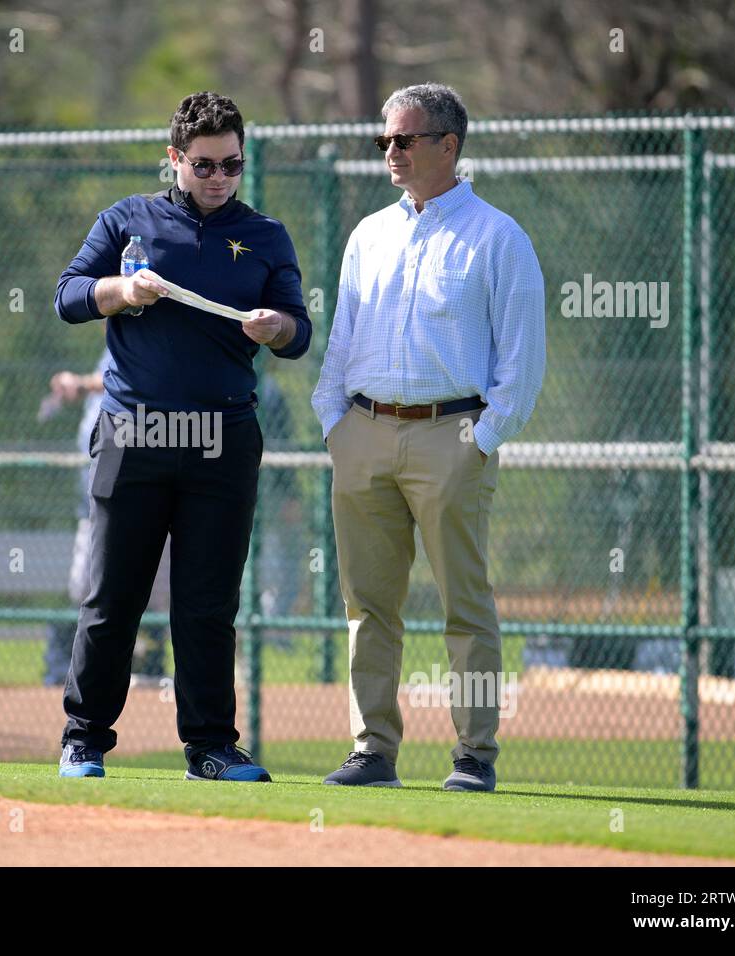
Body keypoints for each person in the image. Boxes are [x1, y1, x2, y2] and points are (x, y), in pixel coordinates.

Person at [53, 91, 312, 781]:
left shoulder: (264, 235)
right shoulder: (126, 219)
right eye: (204, 165)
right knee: (113, 598)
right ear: (175, 159)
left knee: (208, 604)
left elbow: (298, 331)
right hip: (132, 432)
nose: (219, 177)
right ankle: (83, 738)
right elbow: (68, 294)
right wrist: (122, 291)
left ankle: (210, 747)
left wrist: (276, 327)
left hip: (222, 437)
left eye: (232, 164)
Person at [311, 83, 545, 792]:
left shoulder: (498, 237)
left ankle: (474, 755)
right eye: (384, 140)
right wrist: (335, 424)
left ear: (449, 145)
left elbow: (523, 359)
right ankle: (372, 750)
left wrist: (484, 435)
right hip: (364, 434)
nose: (391, 151)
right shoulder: (368, 234)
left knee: (464, 607)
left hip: (454, 435)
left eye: (404, 139)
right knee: (367, 605)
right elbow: (342, 342)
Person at [40, 343, 169, 687]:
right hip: (96, 497)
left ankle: (149, 668)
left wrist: (79, 384)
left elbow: (121, 378)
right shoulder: (110, 345)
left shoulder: (143, 340)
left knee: (151, 592)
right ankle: (65, 673)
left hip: (140, 489)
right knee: (86, 586)